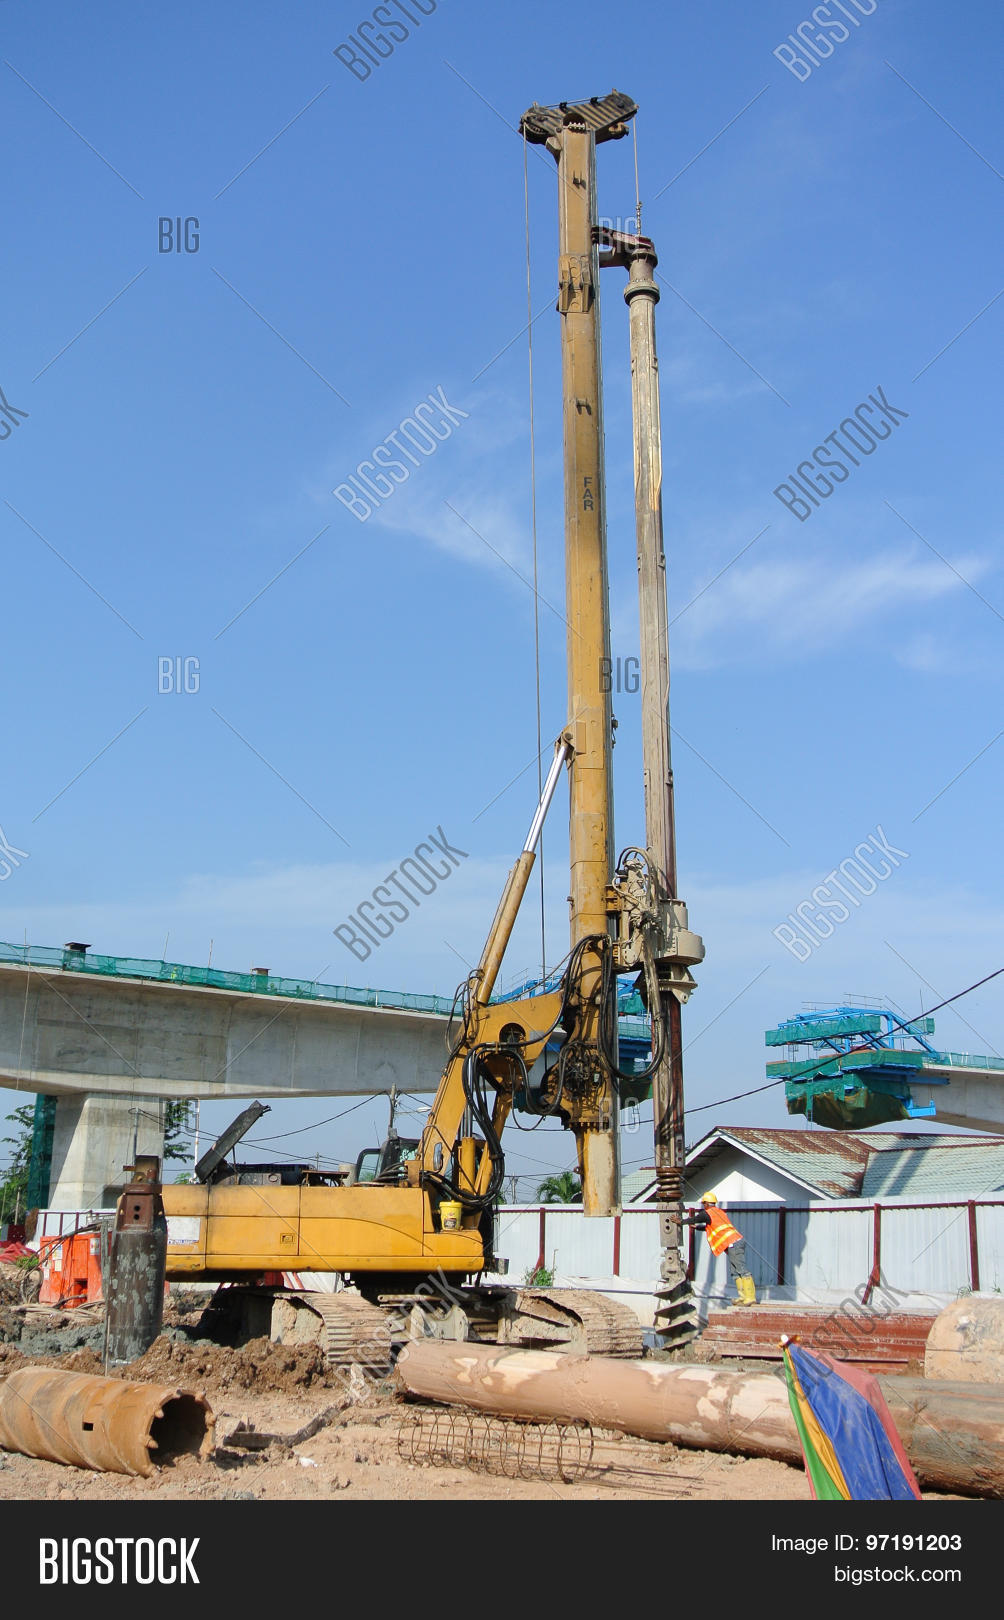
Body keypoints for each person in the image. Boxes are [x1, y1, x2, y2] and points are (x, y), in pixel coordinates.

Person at [683, 1191, 757, 1306]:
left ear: (706, 1203)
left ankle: (750, 1297)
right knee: (735, 1272)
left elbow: (695, 1219)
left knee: (741, 1270)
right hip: (735, 1242)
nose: (703, 1206)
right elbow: (711, 1227)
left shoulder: (707, 1213)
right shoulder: (719, 1212)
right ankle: (743, 1297)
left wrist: (681, 1222)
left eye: (704, 1204)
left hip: (733, 1243)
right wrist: (697, 1228)